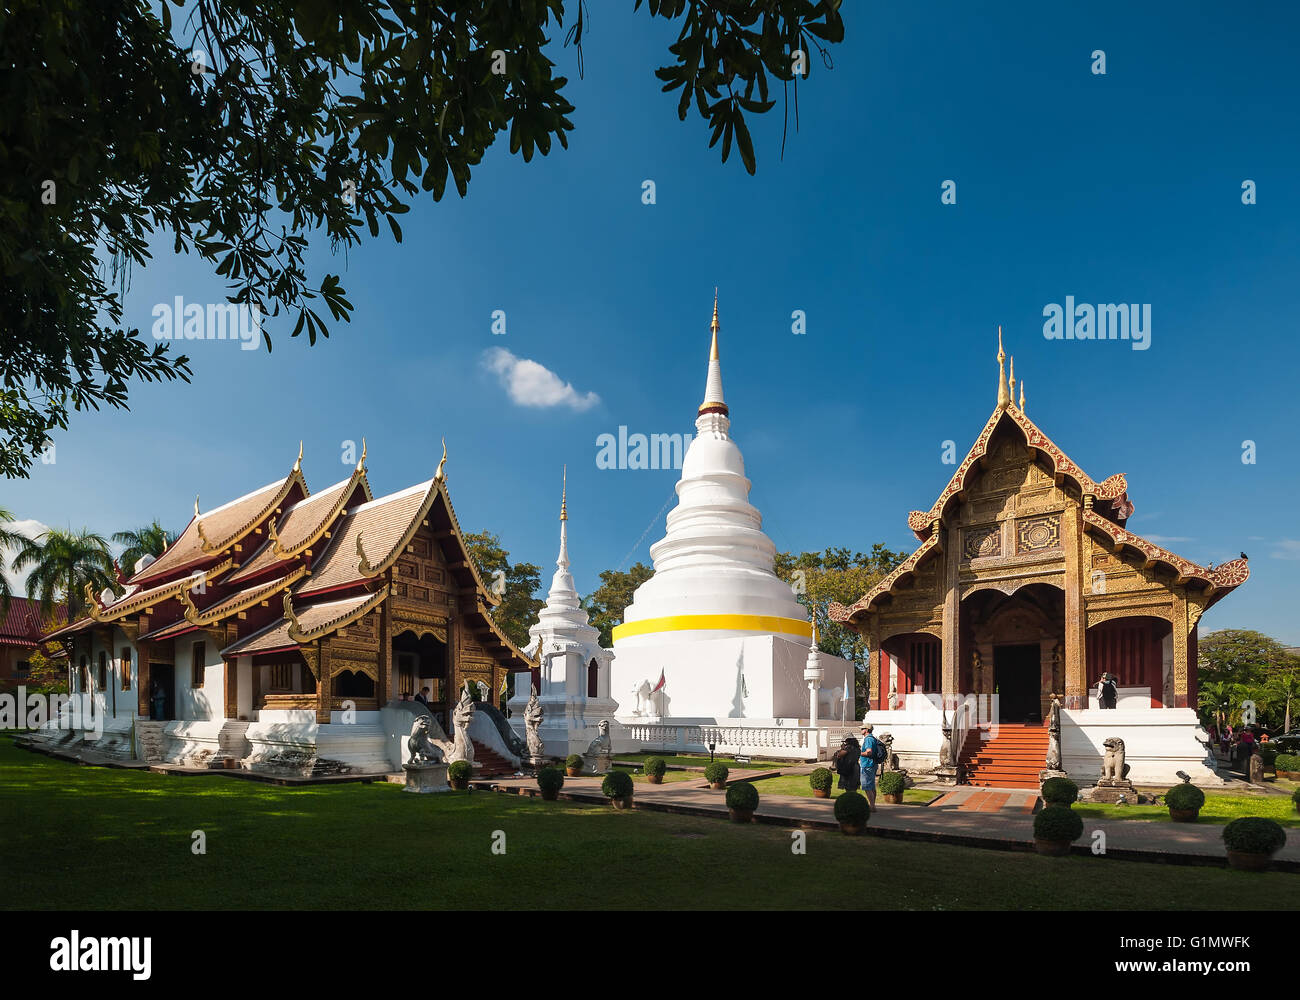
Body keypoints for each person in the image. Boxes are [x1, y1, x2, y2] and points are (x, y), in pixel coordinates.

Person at [859, 724, 881, 807]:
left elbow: (869, 752)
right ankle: (873, 804)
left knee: (867, 786)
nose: (861, 730)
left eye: (862, 728)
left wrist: (859, 753)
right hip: (872, 764)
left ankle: (872, 806)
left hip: (867, 765)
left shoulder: (868, 739)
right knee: (871, 786)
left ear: (866, 730)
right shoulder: (872, 738)